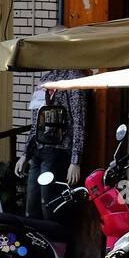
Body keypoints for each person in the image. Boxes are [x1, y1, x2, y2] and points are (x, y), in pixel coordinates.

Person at [15, 71, 89, 217]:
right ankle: (35, 238)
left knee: (49, 203)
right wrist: (25, 154)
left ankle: (53, 238)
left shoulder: (73, 79)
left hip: (58, 151)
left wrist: (75, 160)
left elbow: (79, 122)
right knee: (32, 203)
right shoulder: (45, 80)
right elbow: (36, 123)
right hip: (38, 149)